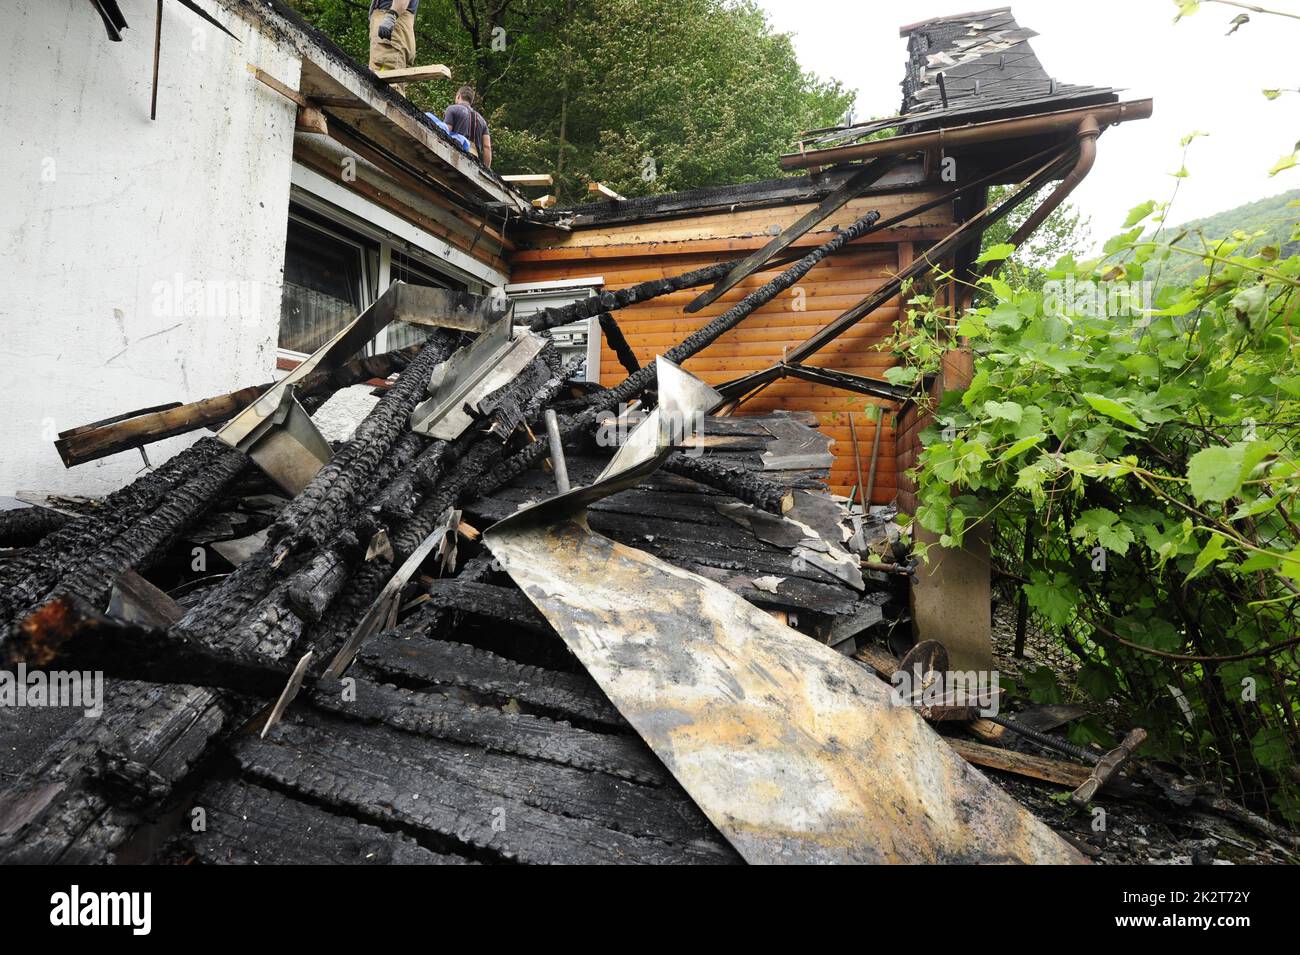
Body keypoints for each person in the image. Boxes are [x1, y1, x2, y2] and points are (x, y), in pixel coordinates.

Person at [444, 86, 493, 168]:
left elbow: (445, 132)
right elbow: (487, 147)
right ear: (471, 101)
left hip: (455, 159)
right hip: (474, 164)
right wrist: (486, 171)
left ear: (458, 96)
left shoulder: (452, 109)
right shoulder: (482, 121)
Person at [369, 0, 417, 78]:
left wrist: (391, 15)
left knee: (385, 75)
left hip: (392, 17)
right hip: (398, 20)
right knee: (390, 76)